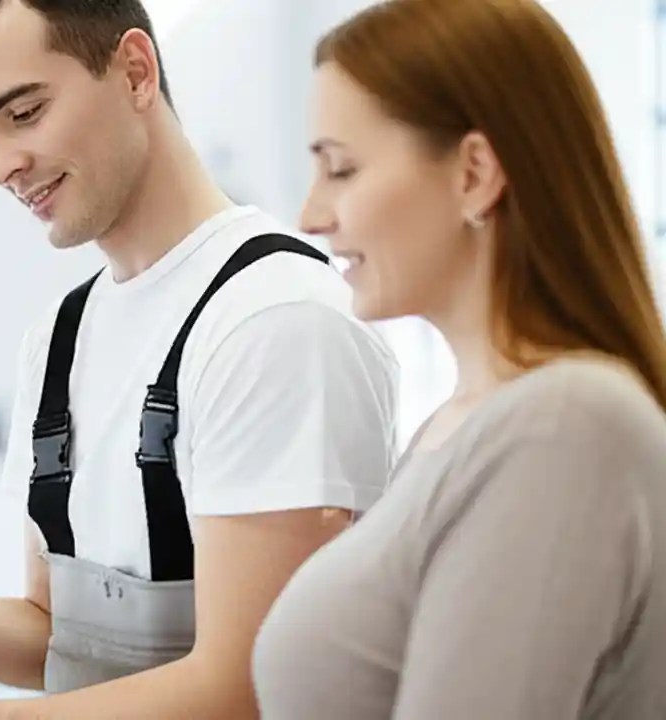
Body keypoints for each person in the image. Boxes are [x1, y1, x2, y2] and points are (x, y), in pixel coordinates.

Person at [0, 0, 397, 716]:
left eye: (23, 114)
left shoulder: (274, 321)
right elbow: (59, 637)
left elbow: (248, 687)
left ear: (136, 71)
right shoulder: (60, 338)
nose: (0, 167)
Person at [249, 1, 666, 718]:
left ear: (474, 172)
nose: (311, 215)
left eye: (341, 169)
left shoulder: (563, 429)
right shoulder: (462, 426)